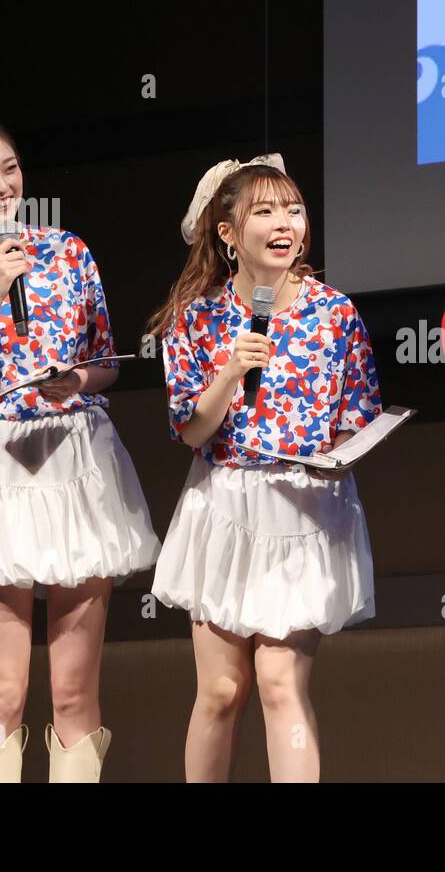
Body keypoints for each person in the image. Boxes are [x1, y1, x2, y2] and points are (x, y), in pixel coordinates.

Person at [0, 111, 161, 782]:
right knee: (4, 691)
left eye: (9, 169)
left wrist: (76, 378)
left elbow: (106, 361)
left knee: (74, 693)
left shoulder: (67, 251)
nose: (3, 185)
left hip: (74, 456)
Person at [148, 154, 381, 782]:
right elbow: (189, 429)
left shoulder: (335, 313)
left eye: (294, 209)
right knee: (221, 691)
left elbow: (358, 412)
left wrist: (341, 452)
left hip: (301, 505)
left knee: (281, 684)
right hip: (224, 505)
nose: (286, 224)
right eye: (266, 212)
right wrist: (229, 372)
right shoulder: (195, 318)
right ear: (227, 233)